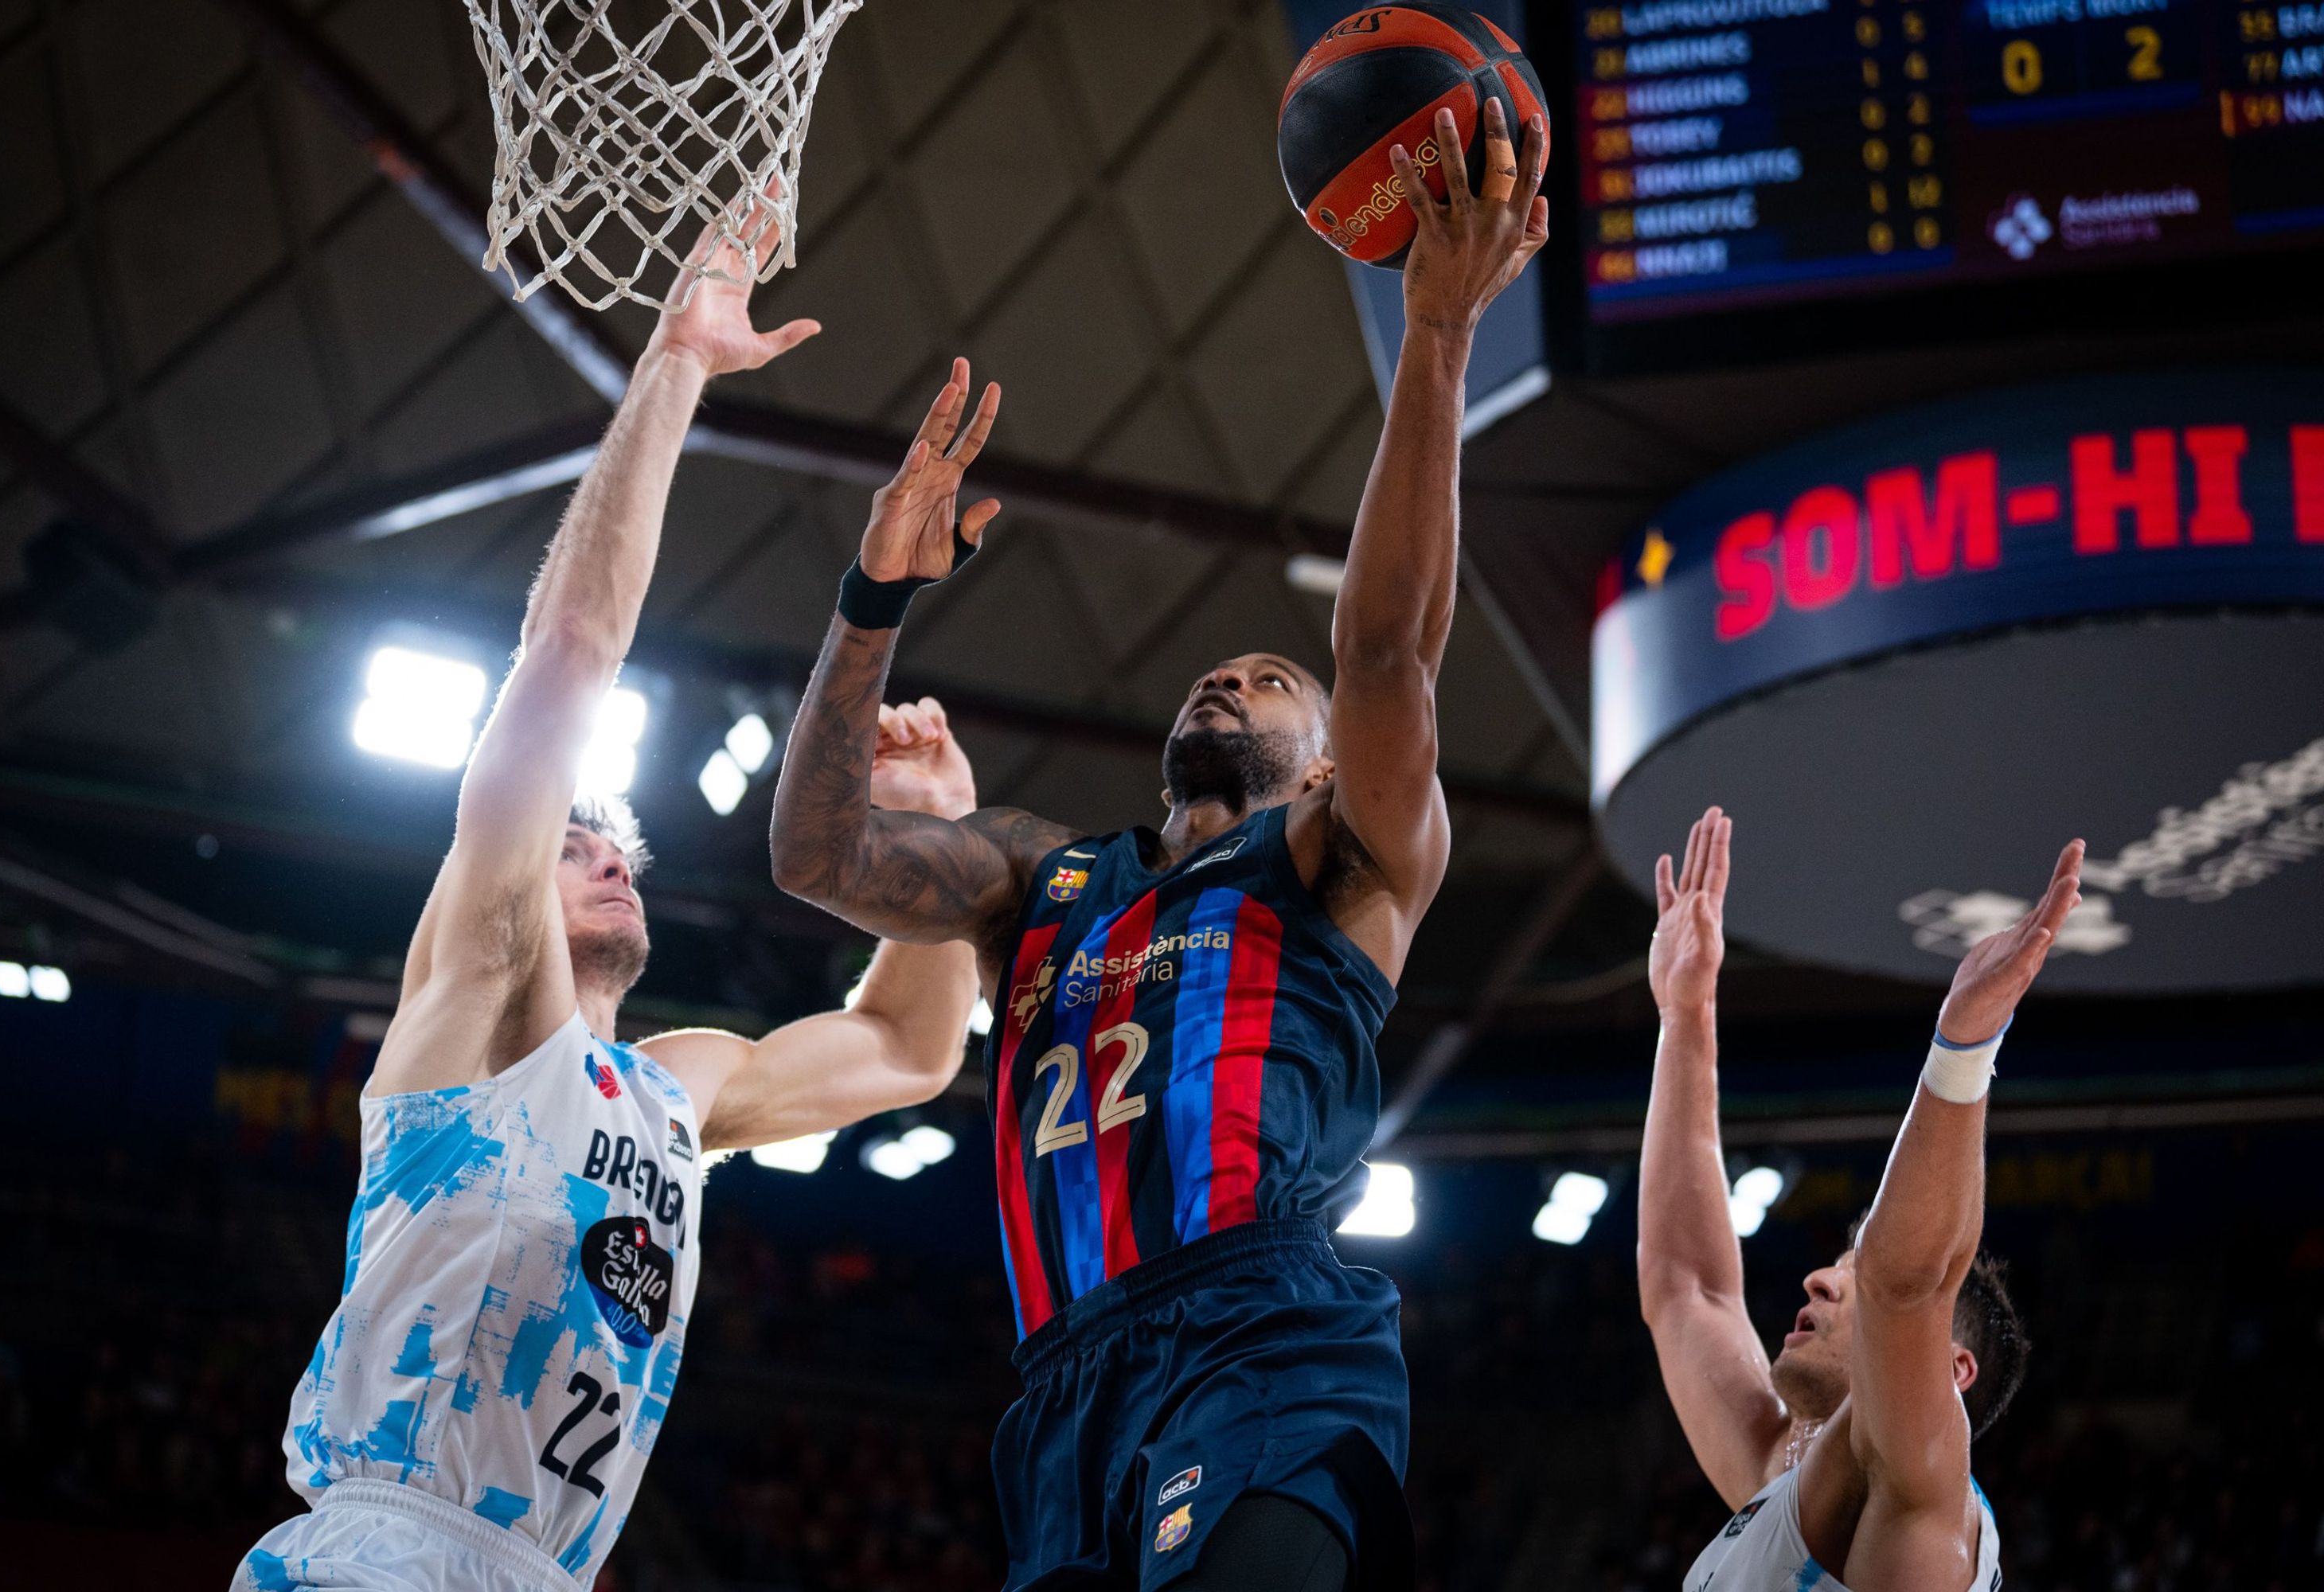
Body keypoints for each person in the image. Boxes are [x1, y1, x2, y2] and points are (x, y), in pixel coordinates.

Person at [768, 101, 1550, 1592]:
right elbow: (813, 854)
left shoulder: (1341, 860)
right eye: (1215, 674)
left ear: (1322, 761)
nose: (1224, 679)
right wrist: (873, 595)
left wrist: (1435, 342)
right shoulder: (1041, 880)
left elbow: (1387, 649)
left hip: (1259, 1339)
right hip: (1065, 1382)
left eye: (1268, 682)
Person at [234, 217, 982, 1592]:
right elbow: (573, 649)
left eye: (619, 847)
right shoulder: (483, 1009)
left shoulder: (677, 1096)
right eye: (574, 839)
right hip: (385, 1548)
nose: (607, 852)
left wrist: (934, 827)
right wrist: (677, 366)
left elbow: (910, 1049)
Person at [1639, 807, 2060, 1590]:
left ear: (1949, 1369)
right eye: (1837, 1267)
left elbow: (1906, 1281)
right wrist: (1684, 1012)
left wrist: (1962, 1049)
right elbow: (1684, 1285)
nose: (1819, 1280)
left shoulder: (1916, 1492)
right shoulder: (1785, 1471)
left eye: (1849, 1275)